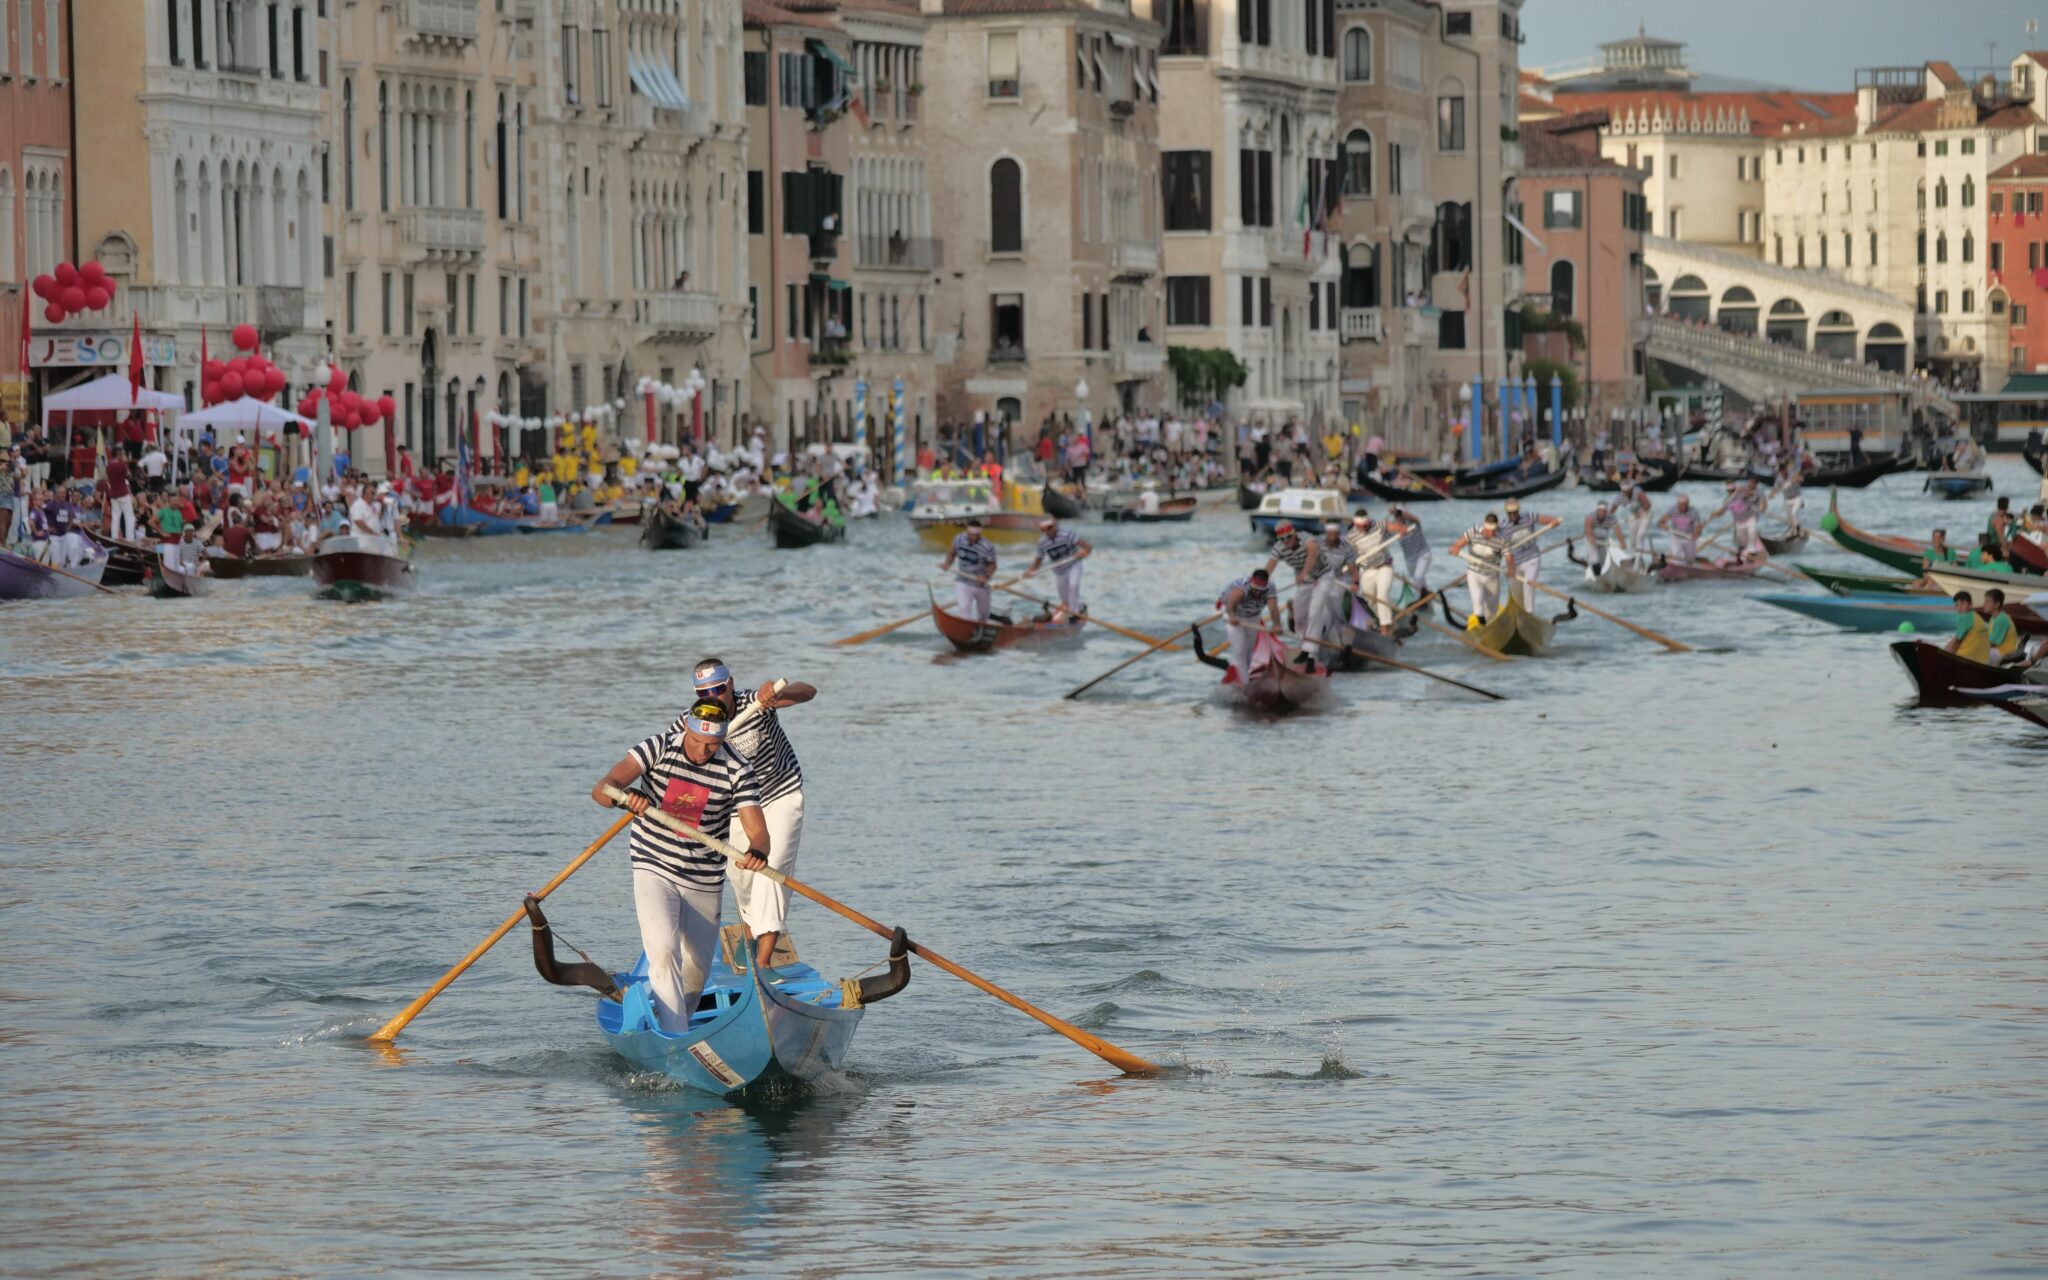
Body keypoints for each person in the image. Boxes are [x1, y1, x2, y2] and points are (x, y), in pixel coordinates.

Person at [591, 699, 769, 1034]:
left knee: (696, 973)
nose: (703, 751)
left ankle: (674, 1023)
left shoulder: (737, 767)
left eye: (712, 745)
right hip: (653, 863)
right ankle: (675, 1036)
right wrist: (624, 798)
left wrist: (757, 852)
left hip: (704, 877)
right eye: (698, 741)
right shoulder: (657, 748)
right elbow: (602, 789)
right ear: (687, 727)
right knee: (663, 951)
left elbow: (759, 832)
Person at [689, 659, 817, 971]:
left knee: (770, 870)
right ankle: (750, 935)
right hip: (737, 808)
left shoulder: (755, 704)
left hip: (780, 795)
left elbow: (808, 692)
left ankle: (763, 963)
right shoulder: (697, 722)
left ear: (730, 684)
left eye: (719, 689)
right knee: (743, 878)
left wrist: (776, 695)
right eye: (704, 693)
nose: (713, 697)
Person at [1296, 524, 1353, 666]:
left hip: (1338, 583)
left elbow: (1352, 568)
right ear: (1326, 534)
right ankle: (1313, 644)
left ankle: (1340, 641)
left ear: (1339, 534)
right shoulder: (1317, 543)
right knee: (1319, 612)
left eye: (1335, 534)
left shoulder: (1347, 548)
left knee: (1338, 613)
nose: (1332, 537)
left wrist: (1356, 582)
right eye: (1330, 534)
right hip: (1319, 581)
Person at [1218, 567, 1282, 679]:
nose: (1257, 593)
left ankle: (1244, 676)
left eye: (1261, 590)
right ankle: (1245, 683)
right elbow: (1230, 605)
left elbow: (1273, 607)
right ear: (1251, 583)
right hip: (1233, 613)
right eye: (1255, 589)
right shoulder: (1240, 588)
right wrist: (1232, 616)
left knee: (1249, 650)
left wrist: (1276, 624)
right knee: (1240, 651)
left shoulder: (1271, 587)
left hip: (1253, 616)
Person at [1499, 497, 1560, 610]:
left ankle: (1529, 612)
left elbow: (1549, 520)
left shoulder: (1529, 517)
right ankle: (1519, 613)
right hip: (1514, 562)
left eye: (1515, 512)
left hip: (1531, 558)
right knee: (1516, 594)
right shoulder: (1502, 527)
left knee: (1529, 584)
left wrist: (1554, 522)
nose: (1512, 515)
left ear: (1518, 510)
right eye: (1510, 513)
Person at [1027, 516, 1091, 620]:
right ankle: (1080, 607)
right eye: (1043, 530)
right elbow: (1038, 560)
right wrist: (1030, 571)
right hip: (1059, 572)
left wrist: (1084, 553)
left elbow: (1087, 547)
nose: (1047, 532)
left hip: (1074, 565)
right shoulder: (1042, 543)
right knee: (1065, 600)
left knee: (1073, 585)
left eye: (1049, 528)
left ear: (1055, 526)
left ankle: (1074, 614)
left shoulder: (1067, 535)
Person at [1345, 512, 1399, 632]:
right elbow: (1348, 556)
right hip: (1367, 570)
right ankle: (1387, 621)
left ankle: (1385, 629)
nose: (1364, 528)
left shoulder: (1378, 525)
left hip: (1384, 566)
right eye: (1361, 526)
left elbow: (1396, 527)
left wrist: (1402, 529)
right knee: (1370, 600)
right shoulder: (1350, 537)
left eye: (1366, 525)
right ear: (1356, 525)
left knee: (1382, 595)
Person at [1449, 512, 1507, 621]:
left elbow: (1509, 558)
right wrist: (1455, 548)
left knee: (1491, 611)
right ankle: (1480, 624)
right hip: (1474, 573)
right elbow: (1457, 545)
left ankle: (1490, 623)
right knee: (1478, 605)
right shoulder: (1474, 531)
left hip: (1491, 577)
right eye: (1488, 530)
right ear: (1484, 526)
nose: (1490, 533)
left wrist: (1511, 569)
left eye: (1493, 531)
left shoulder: (1502, 539)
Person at [941, 516, 997, 624]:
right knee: (964, 608)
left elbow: (993, 565)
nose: (972, 538)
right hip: (963, 581)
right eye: (970, 535)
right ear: (967, 532)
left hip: (981, 584)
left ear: (979, 534)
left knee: (983, 615)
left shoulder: (988, 546)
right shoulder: (959, 539)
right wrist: (947, 563)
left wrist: (986, 577)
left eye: (975, 536)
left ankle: (982, 628)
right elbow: (952, 552)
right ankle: (966, 627)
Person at [1387, 505, 1431, 585]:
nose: (1399, 517)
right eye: (1397, 515)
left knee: (1418, 577)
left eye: (1400, 514)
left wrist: (1398, 510)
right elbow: (1383, 529)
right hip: (1409, 559)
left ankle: (1422, 592)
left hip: (1423, 554)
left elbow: (1413, 518)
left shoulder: (1413, 522)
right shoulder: (1394, 526)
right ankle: (1424, 591)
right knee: (1417, 581)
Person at [1945, 590, 1991, 663]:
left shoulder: (1965, 617)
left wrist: (1943, 653)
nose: (1959, 608)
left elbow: (1955, 642)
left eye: (1962, 604)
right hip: (1984, 659)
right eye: (1957, 605)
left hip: (1968, 658)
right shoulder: (1976, 616)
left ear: (1971, 604)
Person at [1658, 495, 1704, 567]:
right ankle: (1677, 567)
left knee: (1690, 560)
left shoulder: (1694, 511)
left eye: (1684, 504)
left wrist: (1696, 534)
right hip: (1676, 537)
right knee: (1678, 558)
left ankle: (1688, 569)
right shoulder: (1673, 510)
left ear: (1687, 504)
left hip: (1689, 538)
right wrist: (1664, 526)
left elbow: (1699, 526)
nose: (1681, 506)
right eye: (1680, 504)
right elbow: (1661, 522)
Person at [104, 450, 136, 543]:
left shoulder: (108, 466)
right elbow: (128, 475)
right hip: (123, 493)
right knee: (129, 517)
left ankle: (114, 537)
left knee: (115, 517)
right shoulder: (122, 465)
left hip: (113, 494)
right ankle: (130, 538)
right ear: (119, 455)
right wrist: (125, 463)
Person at [1582, 501, 1617, 579]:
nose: (1602, 514)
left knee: (1602, 562)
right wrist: (1591, 537)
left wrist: (1622, 543)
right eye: (1600, 511)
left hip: (1603, 541)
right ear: (1597, 511)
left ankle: (1599, 575)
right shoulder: (1590, 517)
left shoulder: (1611, 518)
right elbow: (1587, 529)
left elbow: (1617, 530)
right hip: (1591, 540)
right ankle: (1596, 576)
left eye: (1604, 512)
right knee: (1595, 560)